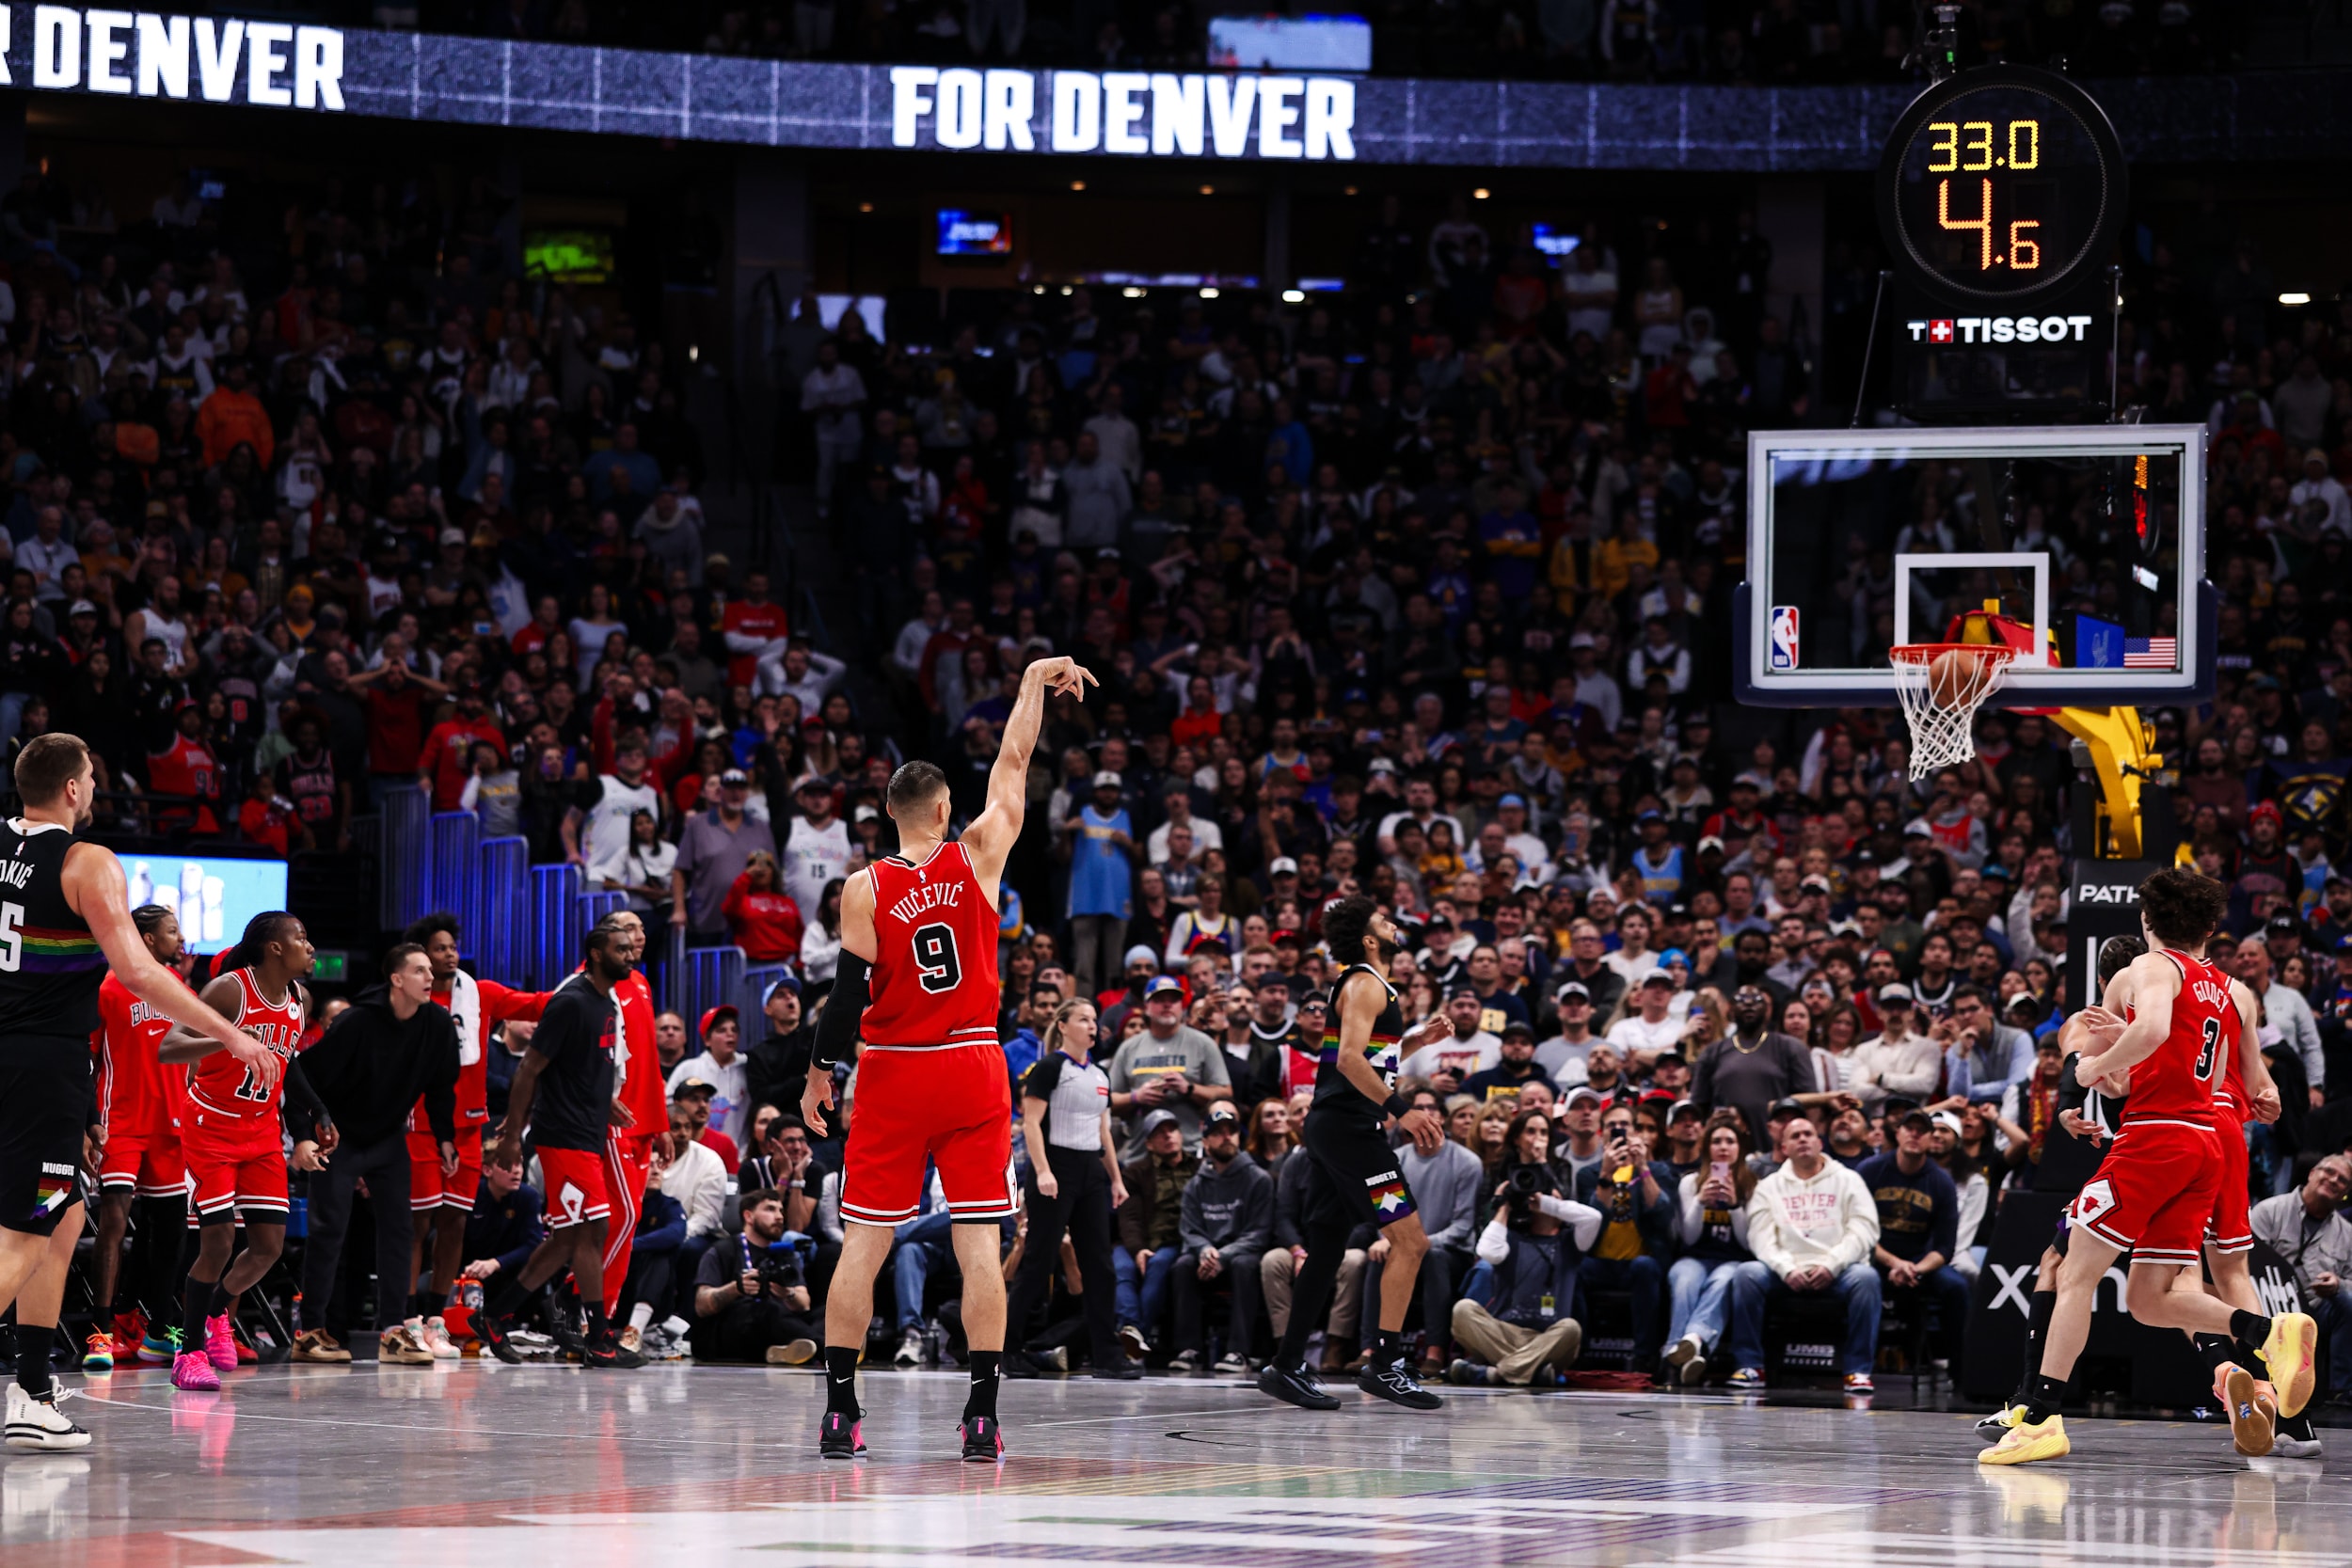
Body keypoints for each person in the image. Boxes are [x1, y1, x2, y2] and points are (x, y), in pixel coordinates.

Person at [800, 654, 1094, 1464]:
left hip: (892, 1068)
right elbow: (1014, 762)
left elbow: (845, 998)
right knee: (977, 1244)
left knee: (863, 1242)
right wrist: (1034, 681)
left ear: (893, 814)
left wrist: (822, 1073)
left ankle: (839, 1412)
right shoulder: (978, 854)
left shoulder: (863, 887)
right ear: (940, 809)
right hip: (970, 1062)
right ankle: (982, 1414)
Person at [1981, 867, 2318, 1466]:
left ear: (2147, 921)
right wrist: (2125, 1062)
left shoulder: (2152, 968)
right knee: (2148, 1299)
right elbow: (2207, 1074)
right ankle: (2269, 1336)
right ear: (2212, 927)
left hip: (2154, 1139)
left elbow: (2153, 1032)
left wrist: (2092, 1069)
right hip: (2205, 1145)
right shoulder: (2223, 986)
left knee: (2072, 1272)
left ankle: (2040, 1417)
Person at [2, 736, 279, 1448]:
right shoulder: (85, 860)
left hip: (28, 1066)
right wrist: (235, 1033)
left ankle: (31, 1388)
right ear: (71, 789)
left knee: (61, 1221)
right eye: (91, 777)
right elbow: (137, 970)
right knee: (23, 1231)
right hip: (40, 1067)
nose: (94, 789)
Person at [1256, 893, 1454, 1411]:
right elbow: (1348, 1062)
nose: (1392, 922)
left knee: (1325, 1249)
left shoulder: (1367, 984)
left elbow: (1369, 1054)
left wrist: (1416, 1041)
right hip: (1350, 1132)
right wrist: (1402, 1110)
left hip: (1333, 1130)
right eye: (1384, 919)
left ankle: (1286, 1365)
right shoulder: (1365, 982)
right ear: (1370, 939)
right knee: (1410, 1243)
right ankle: (1386, 1365)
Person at [158, 909, 316, 1394]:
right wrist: (226, 1038)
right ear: (274, 948)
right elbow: (169, 1048)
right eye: (301, 937)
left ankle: (215, 1313)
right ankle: (188, 1355)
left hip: (262, 1132)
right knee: (219, 1241)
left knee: (269, 1246)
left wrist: (307, 1126)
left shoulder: (299, 1001)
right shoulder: (231, 990)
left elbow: (285, 1073)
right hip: (212, 1128)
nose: (310, 947)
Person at [282, 942, 461, 1367]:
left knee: (401, 1230)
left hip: (387, 1138)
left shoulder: (436, 1023)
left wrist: (445, 1138)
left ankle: (395, 1330)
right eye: (420, 971)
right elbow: (301, 1075)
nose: (429, 977)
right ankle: (309, 1331)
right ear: (396, 979)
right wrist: (305, 1134)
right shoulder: (357, 1022)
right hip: (339, 1135)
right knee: (329, 1232)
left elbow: (439, 1088)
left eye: (430, 971)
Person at [475, 923, 643, 1370]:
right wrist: (511, 1134)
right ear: (595, 952)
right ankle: (600, 1337)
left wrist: (604, 1102)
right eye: (620, 949)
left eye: (631, 948)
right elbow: (529, 1069)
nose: (630, 955)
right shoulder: (570, 1002)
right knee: (595, 1228)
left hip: (586, 1131)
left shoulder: (606, 1003)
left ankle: (496, 1315)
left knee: (569, 1238)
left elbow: (581, 1066)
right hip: (560, 1135)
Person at [399, 911, 551, 1362]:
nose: (449, 954)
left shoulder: (478, 993)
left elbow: (537, 1004)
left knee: (454, 1224)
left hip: (468, 1127)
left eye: (452, 946)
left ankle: (436, 1320)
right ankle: (407, 1322)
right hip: (422, 1125)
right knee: (417, 1226)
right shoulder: (406, 997)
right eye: (439, 947)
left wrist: (586, 986)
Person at [85, 904, 198, 1372]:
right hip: (121, 1123)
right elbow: (87, 1059)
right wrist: (87, 1123)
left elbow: (193, 1056)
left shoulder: (177, 988)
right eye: (173, 930)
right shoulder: (108, 988)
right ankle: (100, 1332)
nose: (181, 938)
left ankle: (158, 1331)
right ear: (148, 939)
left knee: (171, 1233)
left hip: (170, 1126)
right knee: (113, 1225)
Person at [1006, 996, 1134, 1380]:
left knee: (1101, 1265)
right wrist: (1042, 1172)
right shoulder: (1048, 1068)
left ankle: (1107, 1355)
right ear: (1063, 1025)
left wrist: (1115, 1178)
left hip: (1090, 1171)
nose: (1092, 1026)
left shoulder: (1099, 1075)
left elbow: (1103, 1130)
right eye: (1083, 1019)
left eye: (1095, 1020)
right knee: (1039, 1262)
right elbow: (1030, 1124)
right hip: (1055, 1167)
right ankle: (1007, 1351)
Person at [1724, 1114, 1882, 1392]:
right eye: (1794, 1136)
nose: (1803, 1140)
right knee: (1746, 1273)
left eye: (1808, 1134)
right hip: (1785, 1273)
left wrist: (1832, 1265)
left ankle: (1857, 1372)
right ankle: (1749, 1366)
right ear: (1784, 1148)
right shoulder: (1768, 1187)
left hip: (1838, 1272)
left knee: (1866, 1278)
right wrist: (1787, 1269)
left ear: (1820, 1143)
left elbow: (1864, 1229)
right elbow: (1760, 1237)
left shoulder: (1849, 1179)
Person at [1448, 1106, 1604, 1386]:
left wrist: (1547, 1202)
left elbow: (1593, 1217)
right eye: (1530, 1131)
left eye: (1544, 1132)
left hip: (1549, 1336)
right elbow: (1486, 1251)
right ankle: (1531, 1371)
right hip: (1505, 1332)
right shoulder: (1513, 1236)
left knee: (1571, 1329)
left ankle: (1493, 1372)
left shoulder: (1570, 1242)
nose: (1537, 1138)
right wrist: (1505, 1205)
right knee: (1463, 1311)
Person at [1855, 1107, 1969, 1378]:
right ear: (1898, 1133)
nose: (1915, 1135)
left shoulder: (1941, 1183)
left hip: (1920, 1264)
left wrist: (1914, 1269)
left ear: (1931, 1139)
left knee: (1957, 1287)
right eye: (1910, 1129)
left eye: (1923, 1131)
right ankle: (1857, 1369)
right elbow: (1858, 1232)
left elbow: (1945, 1247)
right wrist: (1894, 1263)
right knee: (1860, 1280)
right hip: (1873, 1258)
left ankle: (1961, 1371)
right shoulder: (1869, 1171)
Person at [1168, 1101, 1274, 1372]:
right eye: (1218, 1132)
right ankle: (1189, 1349)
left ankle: (1238, 1351)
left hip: (1240, 1255)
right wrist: (1205, 1252)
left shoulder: (1258, 1179)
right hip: (1208, 1257)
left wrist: (1223, 1256)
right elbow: (1189, 1230)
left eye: (1232, 1131)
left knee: (1244, 1265)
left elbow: (1259, 1233)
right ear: (1205, 1141)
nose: (1227, 1136)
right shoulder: (1196, 1184)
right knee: (1182, 1265)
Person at [2249, 1155, 2352, 1418]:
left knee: (2347, 1301)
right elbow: (2244, 1260)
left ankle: (2339, 1391)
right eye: (2329, 1171)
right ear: (2312, 1173)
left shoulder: (2347, 1233)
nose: (2333, 1180)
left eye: (2342, 1180)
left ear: (2346, 1193)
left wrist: (2338, 1284)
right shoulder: (2269, 1211)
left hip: (2314, 1310)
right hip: (2266, 1302)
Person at [1663, 1116, 1756, 1385]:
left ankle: (1686, 1344)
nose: (1724, 1147)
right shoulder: (1690, 1183)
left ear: (1740, 1148)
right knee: (1684, 1279)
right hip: (1695, 1257)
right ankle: (1688, 1350)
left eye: (1730, 1141)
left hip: (1734, 1259)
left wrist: (1735, 1206)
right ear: (1707, 1148)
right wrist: (1700, 1202)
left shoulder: (1752, 1185)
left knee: (1724, 1280)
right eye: (1716, 1141)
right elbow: (1689, 1238)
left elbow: (1748, 1243)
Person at [692, 1188, 821, 1364]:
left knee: (825, 1312)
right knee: (767, 1310)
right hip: (734, 1328)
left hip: (778, 1322)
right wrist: (736, 1288)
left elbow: (804, 1303)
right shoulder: (722, 1250)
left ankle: (783, 1351)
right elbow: (701, 1305)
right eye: (770, 1209)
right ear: (749, 1216)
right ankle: (826, 1350)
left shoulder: (785, 1253)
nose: (779, 1217)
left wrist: (788, 1294)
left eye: (781, 1211)